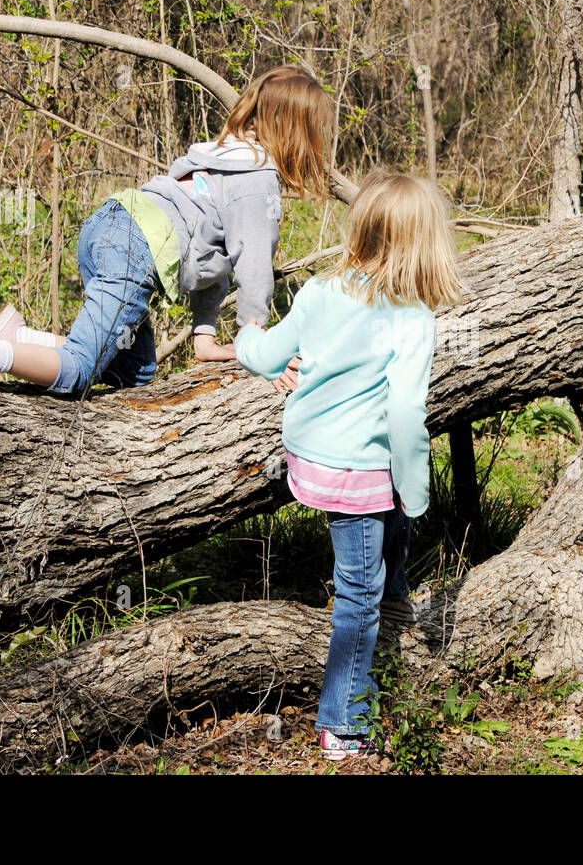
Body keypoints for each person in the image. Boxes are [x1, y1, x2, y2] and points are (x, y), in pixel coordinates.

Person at [0, 64, 334, 412]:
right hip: (134, 250)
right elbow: (255, 267)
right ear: (297, 129)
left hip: (109, 226)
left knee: (136, 370)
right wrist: (257, 347)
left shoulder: (225, 154)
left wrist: (205, 337)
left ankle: (18, 336)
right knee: (79, 371)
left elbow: (216, 260)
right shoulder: (258, 181)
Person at [233, 172, 463, 760]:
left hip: (314, 455)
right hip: (359, 472)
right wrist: (418, 488)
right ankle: (343, 721)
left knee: (392, 524)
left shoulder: (319, 292)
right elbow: (408, 415)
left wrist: (245, 339)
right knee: (358, 595)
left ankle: (398, 593)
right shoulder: (413, 317)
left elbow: (267, 353)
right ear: (424, 245)